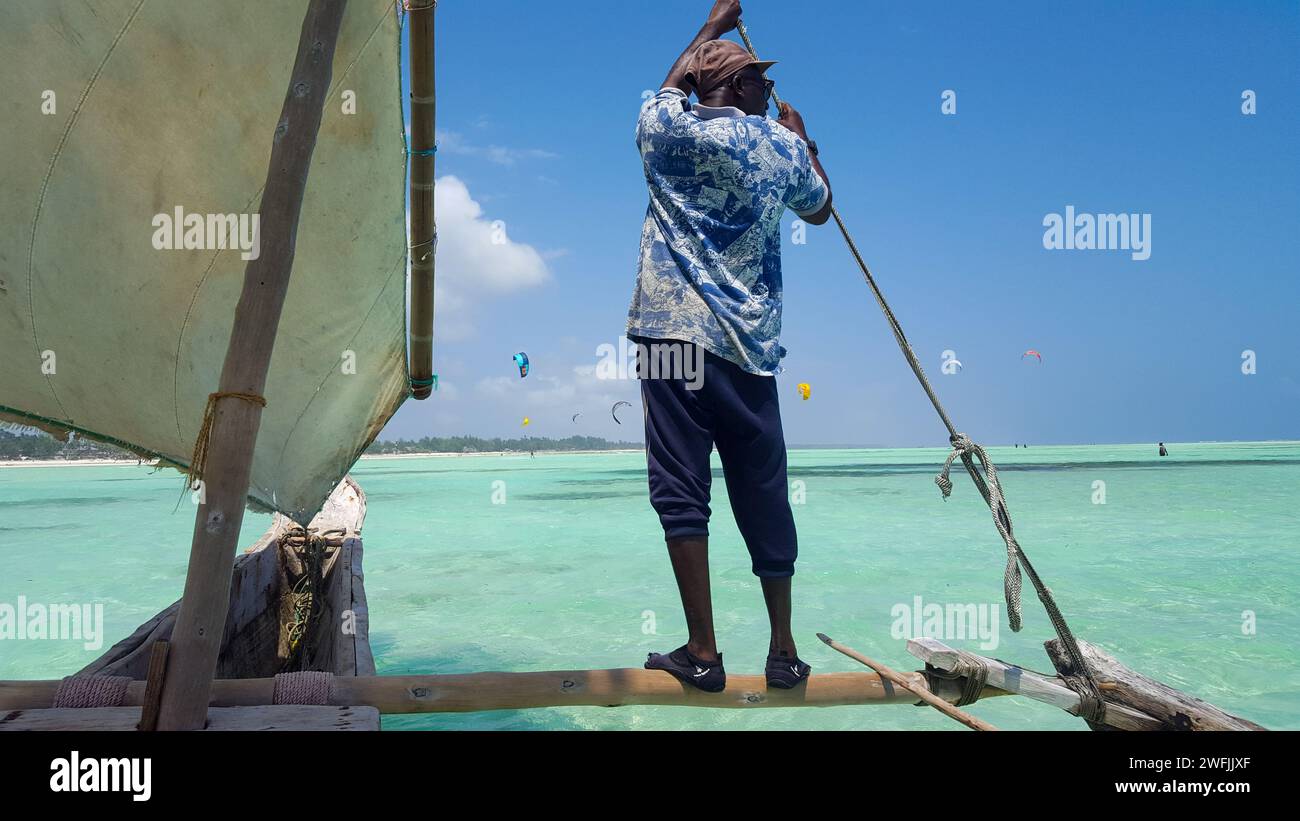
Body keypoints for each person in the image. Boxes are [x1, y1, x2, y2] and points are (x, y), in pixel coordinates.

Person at [626, 0, 832, 693]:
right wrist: (804, 139)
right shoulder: (778, 148)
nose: (769, 93)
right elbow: (821, 206)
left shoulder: (663, 130)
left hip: (668, 336)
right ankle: (782, 650)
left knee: (681, 491)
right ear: (739, 90)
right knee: (763, 489)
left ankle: (704, 653)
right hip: (747, 348)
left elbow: (669, 85)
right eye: (761, 85)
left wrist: (712, 24)